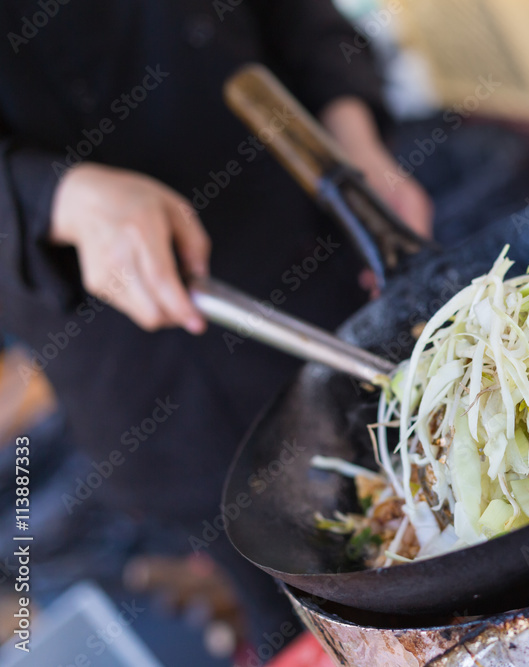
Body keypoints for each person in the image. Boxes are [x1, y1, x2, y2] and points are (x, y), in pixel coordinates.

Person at [0, 0, 433, 654]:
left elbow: (296, 17)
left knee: (441, 486)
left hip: (316, 262)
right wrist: (57, 198)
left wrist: (354, 139)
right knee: (308, 615)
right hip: (148, 389)